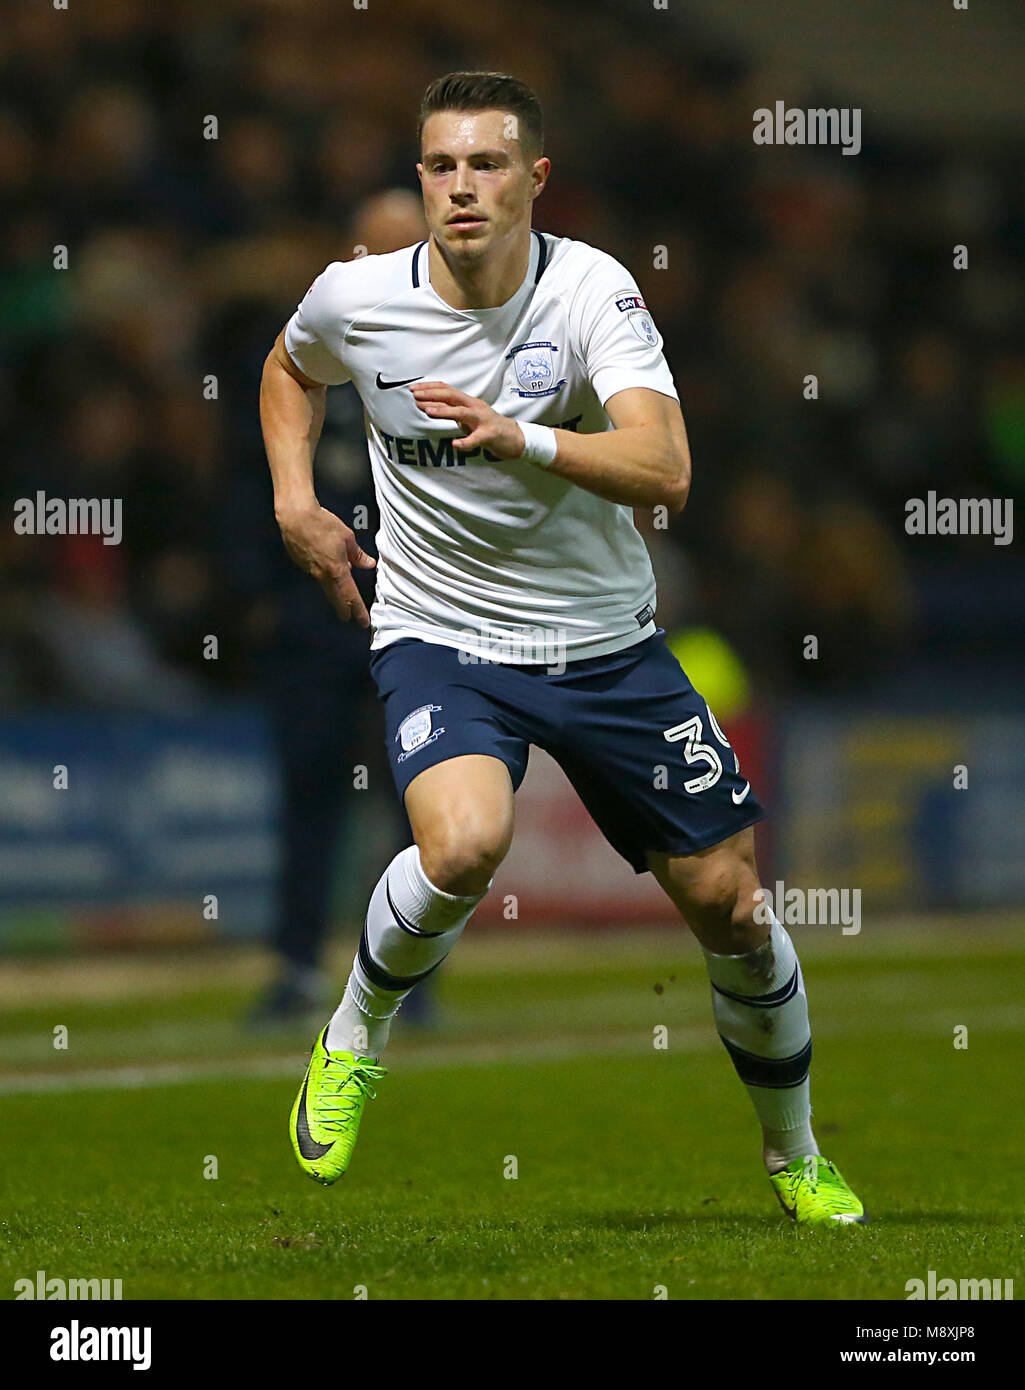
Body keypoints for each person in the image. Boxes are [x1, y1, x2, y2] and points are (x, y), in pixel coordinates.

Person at [259, 72, 865, 1225]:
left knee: (730, 904)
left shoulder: (592, 292)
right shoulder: (356, 297)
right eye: (440, 166)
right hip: (441, 633)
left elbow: (665, 469)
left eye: (485, 165)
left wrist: (522, 437)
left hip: (603, 642)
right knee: (465, 841)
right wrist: (295, 500)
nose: (459, 189)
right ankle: (351, 1035)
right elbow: (289, 369)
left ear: (533, 178)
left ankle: (794, 1156)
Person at [247, 190, 437, 1028]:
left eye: (407, 251)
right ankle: (294, 964)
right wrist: (255, 591)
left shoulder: (457, 362)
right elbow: (243, 477)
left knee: (426, 802)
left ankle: (413, 977)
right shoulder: (306, 353)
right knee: (309, 793)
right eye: (375, 251)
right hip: (311, 626)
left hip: (419, 614)